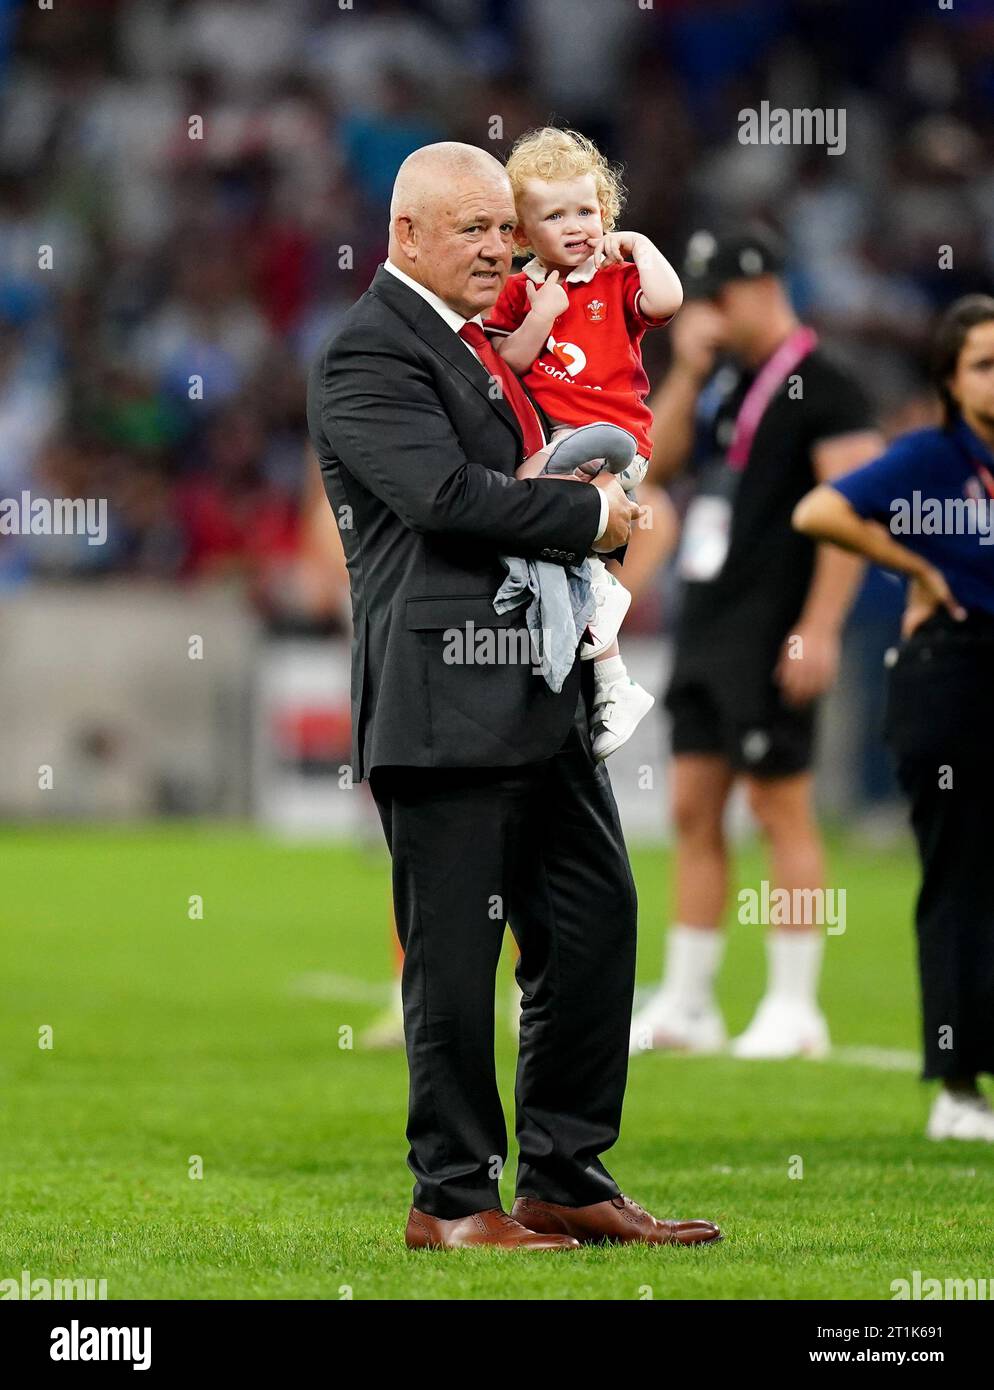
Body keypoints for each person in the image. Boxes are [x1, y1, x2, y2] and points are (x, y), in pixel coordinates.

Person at [307, 141, 721, 1249]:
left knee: (593, 923)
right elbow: (444, 498)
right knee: (452, 956)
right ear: (405, 236)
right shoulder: (367, 353)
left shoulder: (485, 347)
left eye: (505, 227)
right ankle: (449, 1199)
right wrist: (596, 517)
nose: (499, 248)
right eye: (472, 231)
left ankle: (564, 1173)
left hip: (540, 690)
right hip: (440, 699)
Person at [631, 228, 884, 1060]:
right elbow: (654, 465)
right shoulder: (722, 381)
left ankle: (794, 1002)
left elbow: (855, 516)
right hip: (709, 622)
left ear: (760, 287)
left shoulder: (830, 385)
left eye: (714, 296)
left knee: (781, 806)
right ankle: (692, 1000)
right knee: (693, 807)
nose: (702, 312)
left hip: (778, 629)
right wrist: (693, 370)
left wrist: (820, 626)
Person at [793, 294, 994, 1141]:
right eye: (983, 363)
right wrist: (911, 563)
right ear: (949, 379)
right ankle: (957, 1089)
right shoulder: (930, 456)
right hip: (954, 672)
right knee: (960, 879)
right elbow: (821, 511)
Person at [486, 126, 682, 759]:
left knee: (527, 496)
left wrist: (641, 245)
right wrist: (541, 314)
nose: (577, 226)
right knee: (559, 556)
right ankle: (612, 679)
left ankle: (601, 616)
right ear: (519, 233)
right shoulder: (520, 293)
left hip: (616, 440)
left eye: (588, 210)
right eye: (555, 215)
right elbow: (508, 364)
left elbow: (669, 300)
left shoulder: (615, 279)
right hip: (561, 442)